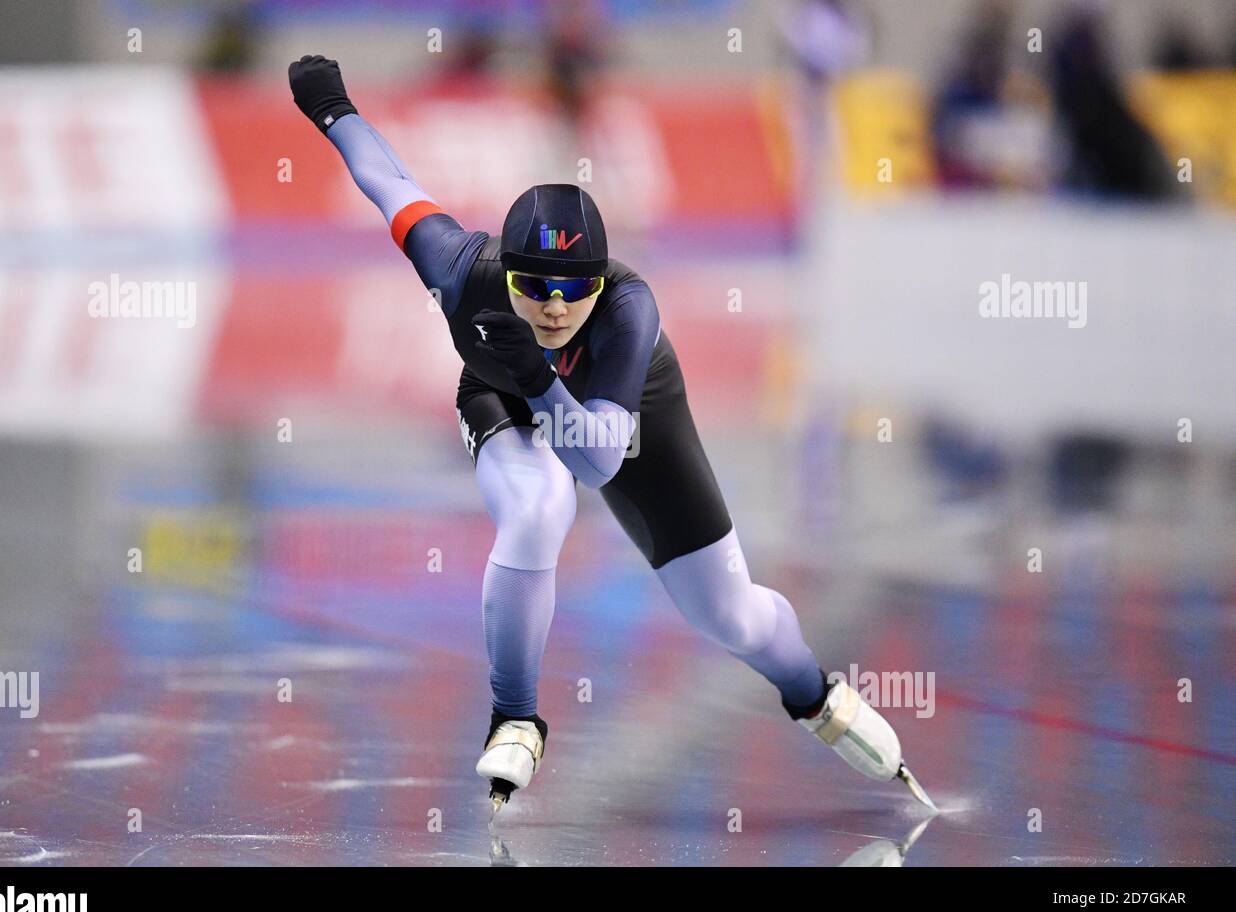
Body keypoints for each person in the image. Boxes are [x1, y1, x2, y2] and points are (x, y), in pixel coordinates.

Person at [287, 55, 934, 813]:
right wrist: (332, 108)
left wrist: (536, 371)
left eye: (574, 291)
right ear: (506, 273)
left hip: (624, 415)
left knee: (731, 616)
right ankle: (515, 716)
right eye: (535, 287)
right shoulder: (461, 269)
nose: (556, 308)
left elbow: (597, 462)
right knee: (533, 514)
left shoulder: (630, 311)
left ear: (603, 281)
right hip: (504, 394)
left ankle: (813, 693)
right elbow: (388, 181)